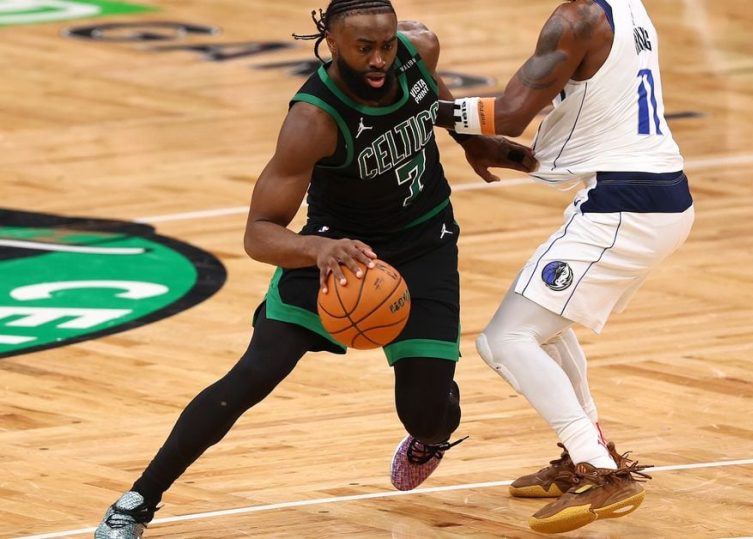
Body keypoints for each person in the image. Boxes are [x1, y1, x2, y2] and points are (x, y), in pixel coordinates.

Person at [94, 1, 536, 537]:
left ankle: (430, 433)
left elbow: (428, 99)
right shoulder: (313, 119)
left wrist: (474, 141)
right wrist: (317, 251)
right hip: (335, 252)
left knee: (426, 414)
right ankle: (139, 499)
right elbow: (259, 233)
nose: (380, 59)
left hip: (424, 243)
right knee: (253, 376)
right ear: (331, 42)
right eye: (364, 48)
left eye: (386, 45)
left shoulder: (417, 49)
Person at [438, 0, 694, 533]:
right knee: (543, 327)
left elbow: (510, 114)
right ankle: (591, 452)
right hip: (653, 194)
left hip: (624, 206)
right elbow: (588, 108)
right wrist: (502, 152)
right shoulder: (628, 8)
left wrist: (419, 108)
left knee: (504, 341)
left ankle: (598, 470)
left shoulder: (576, 19)